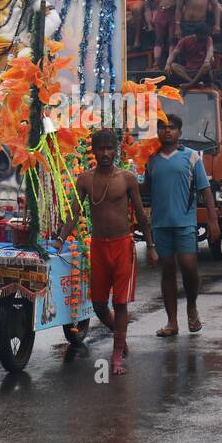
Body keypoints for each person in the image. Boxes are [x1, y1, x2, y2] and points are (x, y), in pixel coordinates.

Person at [64, 129, 157, 375]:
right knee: (98, 305)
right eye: (100, 148)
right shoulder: (84, 179)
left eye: (109, 148)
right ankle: (120, 334)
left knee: (121, 301)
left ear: (116, 150)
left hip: (122, 245)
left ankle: (117, 355)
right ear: (93, 151)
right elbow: (74, 213)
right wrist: (59, 240)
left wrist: (151, 245)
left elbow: (140, 213)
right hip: (98, 246)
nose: (105, 153)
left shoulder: (126, 179)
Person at [148, 114, 219, 337]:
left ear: (179, 132)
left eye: (171, 128)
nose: (167, 131)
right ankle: (172, 322)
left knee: (189, 267)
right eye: (162, 127)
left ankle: (191, 306)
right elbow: (144, 189)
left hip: (185, 223)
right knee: (167, 270)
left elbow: (204, 189)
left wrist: (213, 219)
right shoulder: (150, 160)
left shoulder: (191, 157)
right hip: (160, 225)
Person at [148, 0, 184, 66]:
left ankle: (169, 64)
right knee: (158, 38)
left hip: (173, 12)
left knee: (171, 39)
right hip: (161, 11)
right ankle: (156, 63)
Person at [166, 21, 215, 89]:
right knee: (173, 66)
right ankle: (194, 83)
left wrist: (206, 60)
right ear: (197, 34)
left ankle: (190, 84)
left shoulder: (208, 39)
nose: (204, 37)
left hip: (202, 68)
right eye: (203, 36)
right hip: (188, 69)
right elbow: (174, 53)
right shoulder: (186, 40)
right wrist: (167, 64)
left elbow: (210, 50)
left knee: (210, 61)